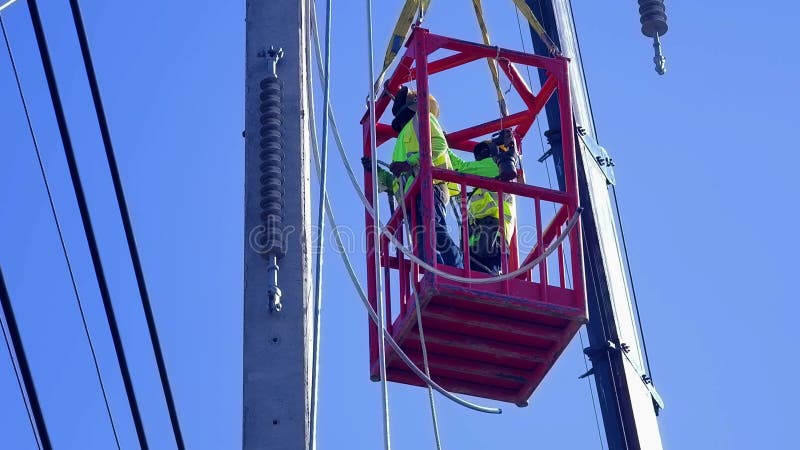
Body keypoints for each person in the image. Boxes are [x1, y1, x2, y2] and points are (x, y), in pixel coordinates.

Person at [464, 140, 517, 274]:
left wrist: (440, 148)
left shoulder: (493, 164)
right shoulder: (488, 180)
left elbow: (456, 167)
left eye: (485, 152)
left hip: (491, 235)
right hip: (484, 237)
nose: (482, 156)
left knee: (482, 279)